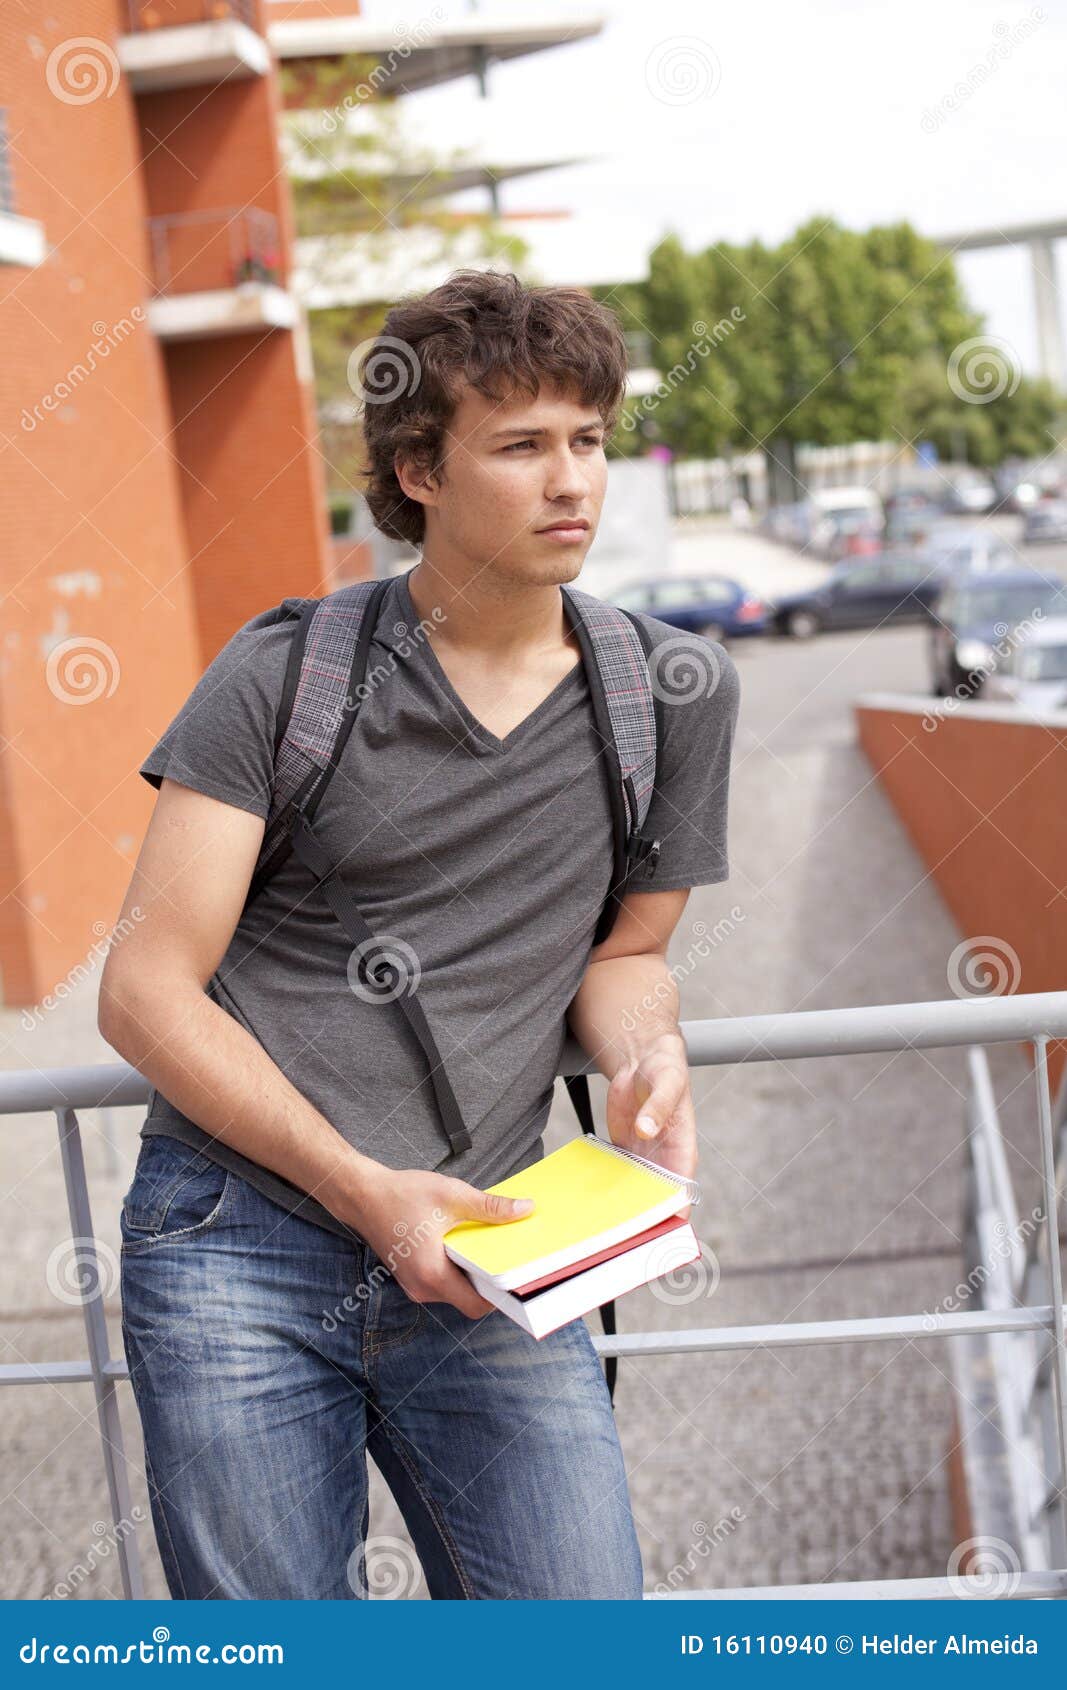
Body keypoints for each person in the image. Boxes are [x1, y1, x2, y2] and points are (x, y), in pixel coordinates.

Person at [100, 268, 740, 1601]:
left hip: (501, 1233)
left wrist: (646, 1059)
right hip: (238, 1242)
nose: (572, 479)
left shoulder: (675, 691)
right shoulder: (284, 676)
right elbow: (147, 993)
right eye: (521, 445)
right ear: (421, 473)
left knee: (576, 1638)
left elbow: (625, 956)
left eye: (590, 439)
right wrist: (368, 1195)